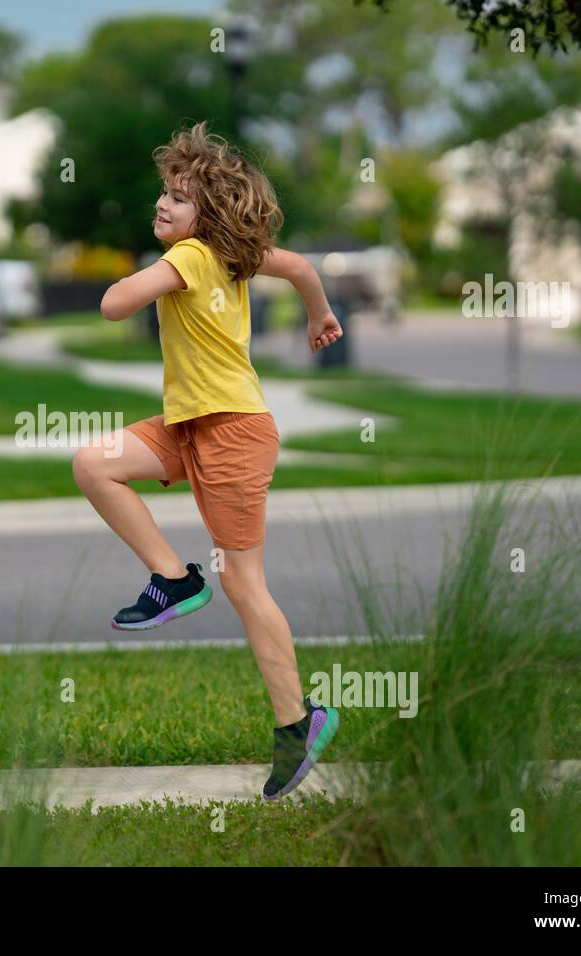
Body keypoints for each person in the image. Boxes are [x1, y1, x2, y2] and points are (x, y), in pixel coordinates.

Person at [71, 121, 343, 801]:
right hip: (190, 426)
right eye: (163, 192)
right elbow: (302, 268)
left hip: (233, 433)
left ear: (209, 214)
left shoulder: (192, 255)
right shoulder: (232, 254)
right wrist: (320, 316)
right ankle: (172, 578)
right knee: (95, 463)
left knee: (245, 584)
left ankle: (298, 722)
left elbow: (112, 304)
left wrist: (153, 272)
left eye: (179, 197)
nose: (162, 204)